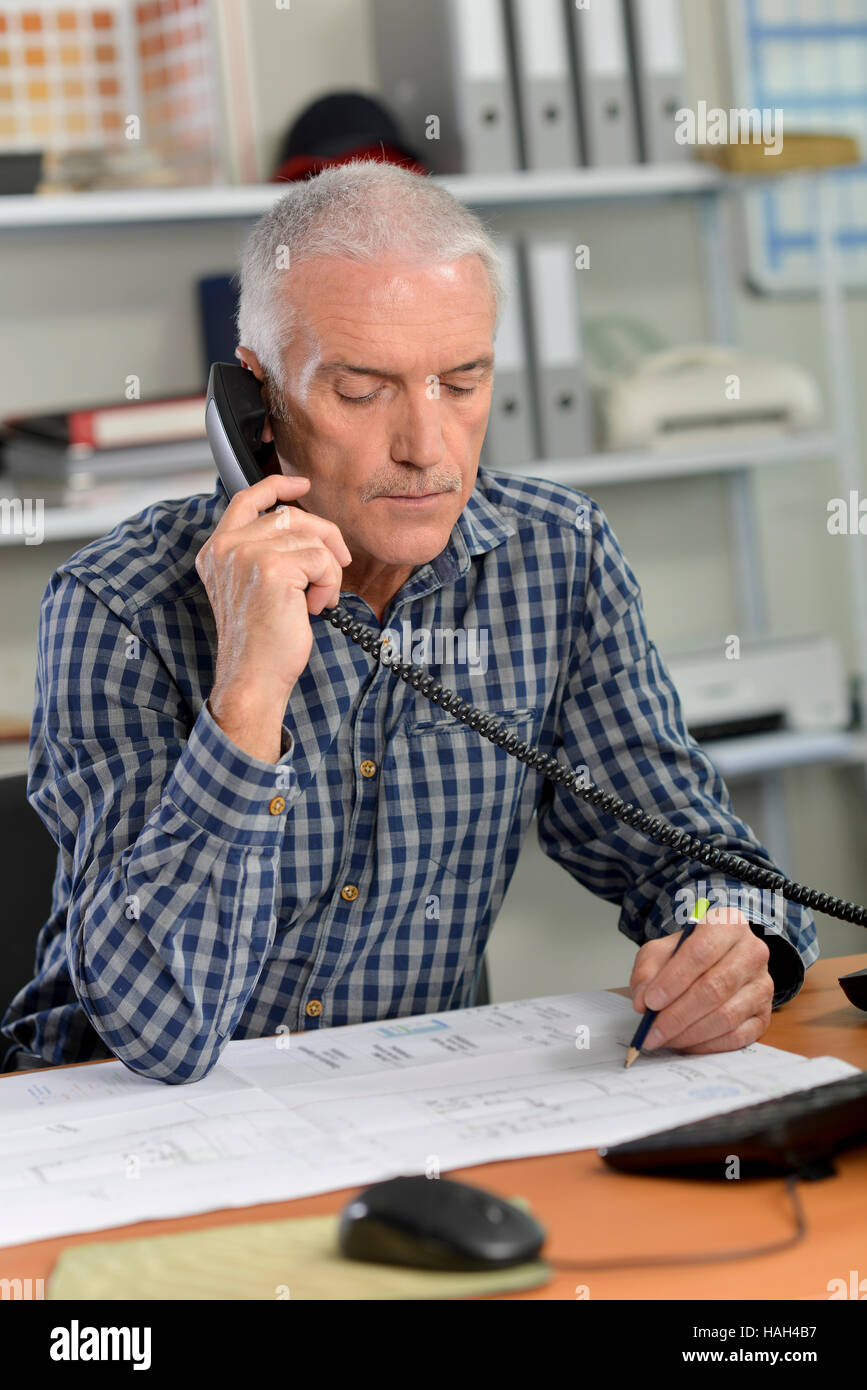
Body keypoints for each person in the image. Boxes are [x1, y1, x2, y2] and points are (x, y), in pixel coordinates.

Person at [1, 160, 815, 1082]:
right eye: (362, 391)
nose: (426, 450)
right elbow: (159, 1033)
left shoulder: (557, 558)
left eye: (461, 384)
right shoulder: (118, 603)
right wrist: (249, 692)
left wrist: (730, 942)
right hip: (103, 1118)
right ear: (256, 402)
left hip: (409, 1108)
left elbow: (701, 860)